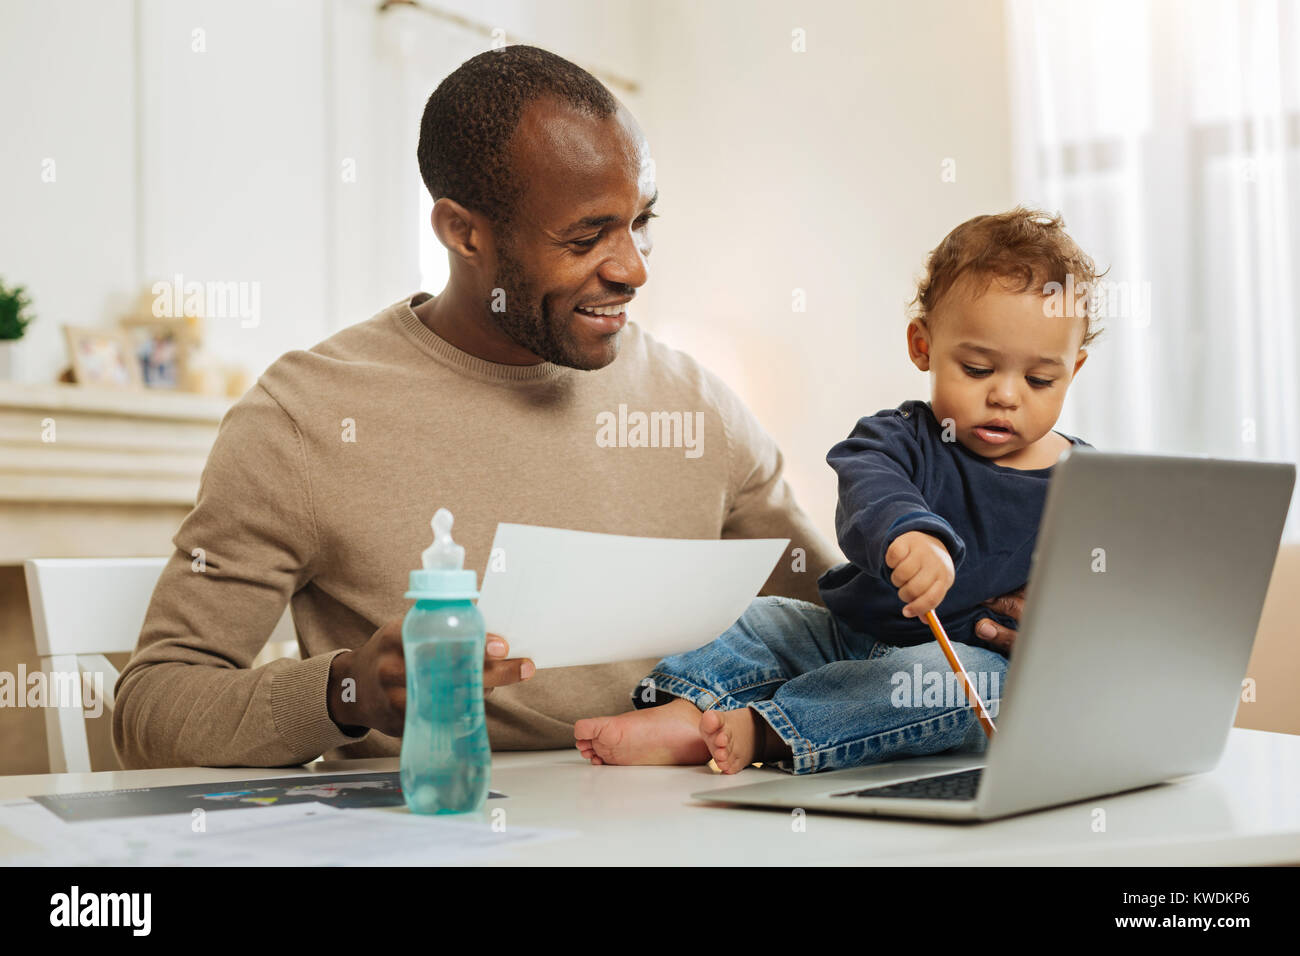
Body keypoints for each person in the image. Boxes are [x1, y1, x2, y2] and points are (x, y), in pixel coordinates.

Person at [111, 45, 846, 770]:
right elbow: (153, 707)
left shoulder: (695, 407)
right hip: (439, 824)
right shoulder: (305, 416)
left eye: (640, 222)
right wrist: (349, 692)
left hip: (683, 821)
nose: (633, 269)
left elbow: (852, 620)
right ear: (463, 232)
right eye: (588, 236)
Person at [574, 207, 1097, 775]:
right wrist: (910, 534)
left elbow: (1114, 591)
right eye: (976, 369)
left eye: (1039, 380)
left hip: (958, 668)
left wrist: (1076, 623)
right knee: (764, 617)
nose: (1005, 396)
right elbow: (869, 485)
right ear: (922, 346)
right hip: (843, 636)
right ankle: (686, 710)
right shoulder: (898, 436)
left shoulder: (1089, 483)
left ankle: (771, 731)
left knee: (967, 685)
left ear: (1074, 369)